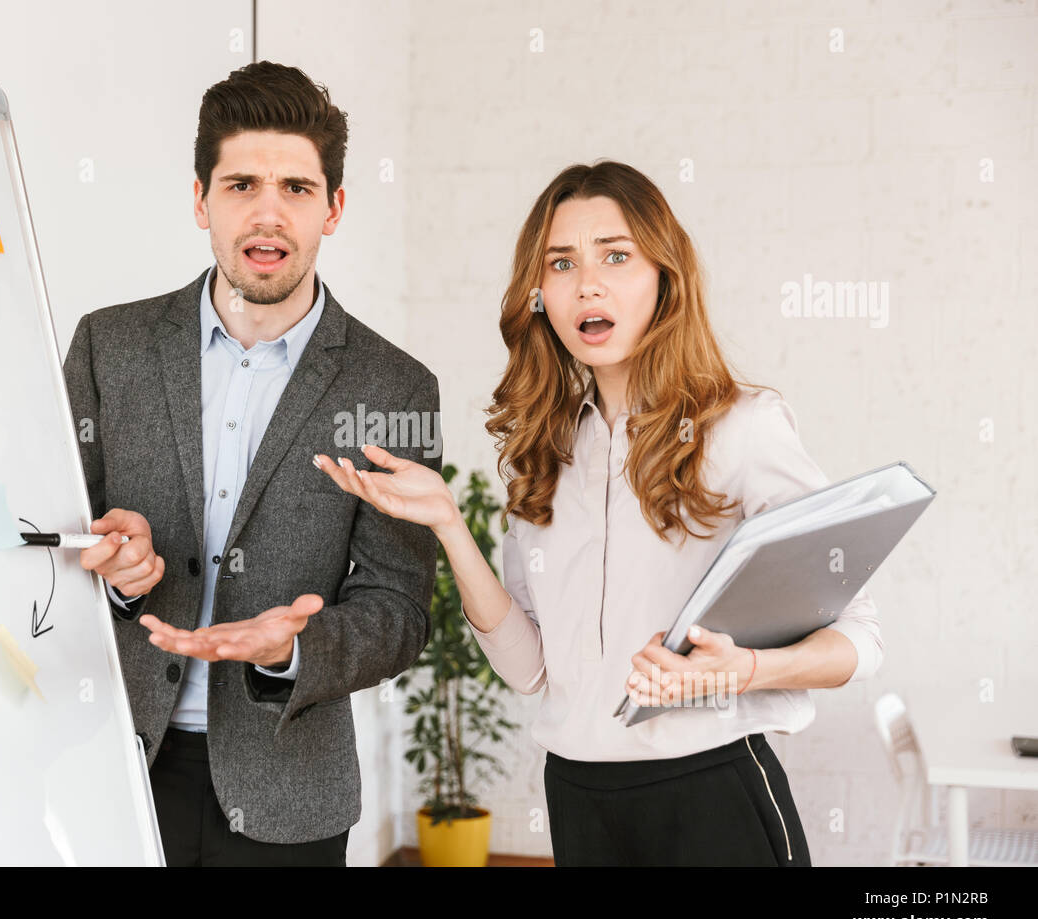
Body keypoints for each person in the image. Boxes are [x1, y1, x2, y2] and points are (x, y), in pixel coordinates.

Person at [313, 160, 883, 866]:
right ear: (540, 294)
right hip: (578, 798)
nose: (588, 283)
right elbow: (528, 669)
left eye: (616, 255)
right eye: (562, 263)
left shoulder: (742, 427)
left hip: (713, 795)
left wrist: (742, 671)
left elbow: (859, 641)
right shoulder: (543, 452)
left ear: (663, 277)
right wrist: (449, 527)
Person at [62, 61, 440, 866]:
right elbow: (52, 546)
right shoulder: (108, 347)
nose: (268, 216)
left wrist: (291, 648)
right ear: (201, 199)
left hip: (289, 795)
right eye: (241, 185)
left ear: (334, 207)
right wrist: (118, 576)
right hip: (117, 770)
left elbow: (399, 611)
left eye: (297, 189)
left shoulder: (394, 386)